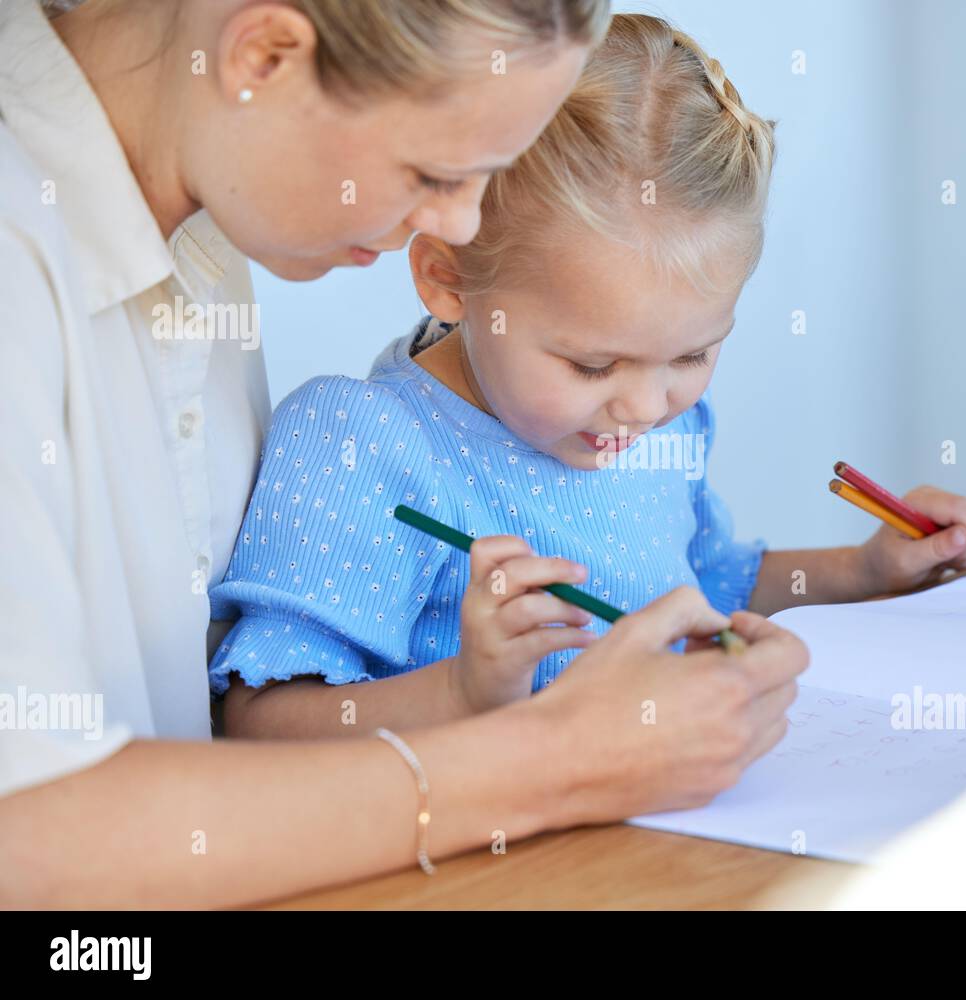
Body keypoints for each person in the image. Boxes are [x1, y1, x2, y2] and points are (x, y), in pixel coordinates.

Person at [0, 0, 806, 908]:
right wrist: (562, 759)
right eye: (434, 170)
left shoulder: (204, 232)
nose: (460, 230)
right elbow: (28, 833)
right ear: (263, 55)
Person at [207, 13, 966, 739]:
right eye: (592, 364)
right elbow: (257, 722)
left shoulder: (660, 425)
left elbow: (711, 582)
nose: (647, 406)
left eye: (692, 355)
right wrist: (466, 693)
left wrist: (865, 569)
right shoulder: (361, 446)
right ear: (448, 277)